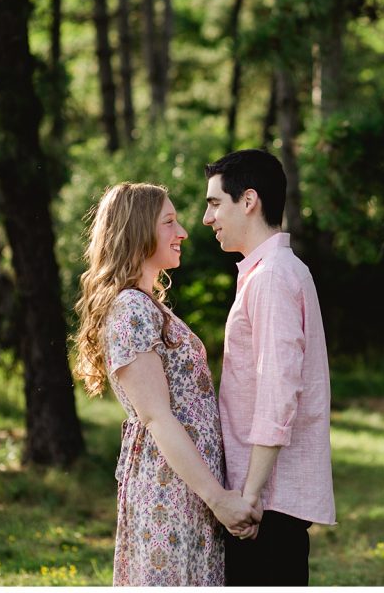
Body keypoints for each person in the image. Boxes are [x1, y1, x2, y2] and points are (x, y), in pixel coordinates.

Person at [74, 182, 261, 586]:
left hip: (186, 488)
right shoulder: (130, 309)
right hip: (171, 492)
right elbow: (157, 417)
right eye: (169, 222)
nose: (183, 233)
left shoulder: (147, 306)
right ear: (138, 230)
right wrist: (218, 499)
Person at [202, 150, 337, 586]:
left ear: (249, 201)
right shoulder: (273, 271)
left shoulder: (273, 277)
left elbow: (278, 393)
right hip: (268, 501)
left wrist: (250, 495)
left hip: (268, 506)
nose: (207, 218)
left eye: (214, 203)